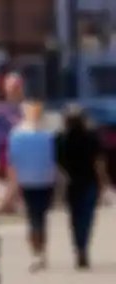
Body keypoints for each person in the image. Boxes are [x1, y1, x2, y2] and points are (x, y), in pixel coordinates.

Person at [55, 104, 108, 270]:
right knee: (87, 218)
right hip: (89, 182)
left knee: (75, 218)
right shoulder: (91, 137)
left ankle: (78, 248)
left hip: (72, 183)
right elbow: (98, 163)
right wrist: (103, 182)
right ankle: (83, 247)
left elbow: (58, 164)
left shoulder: (61, 139)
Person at [6, 100, 56, 271]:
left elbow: (12, 161)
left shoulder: (17, 134)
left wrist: (12, 184)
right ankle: (40, 252)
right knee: (39, 217)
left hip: (29, 181)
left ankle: (37, 252)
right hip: (43, 181)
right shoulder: (48, 134)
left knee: (34, 218)